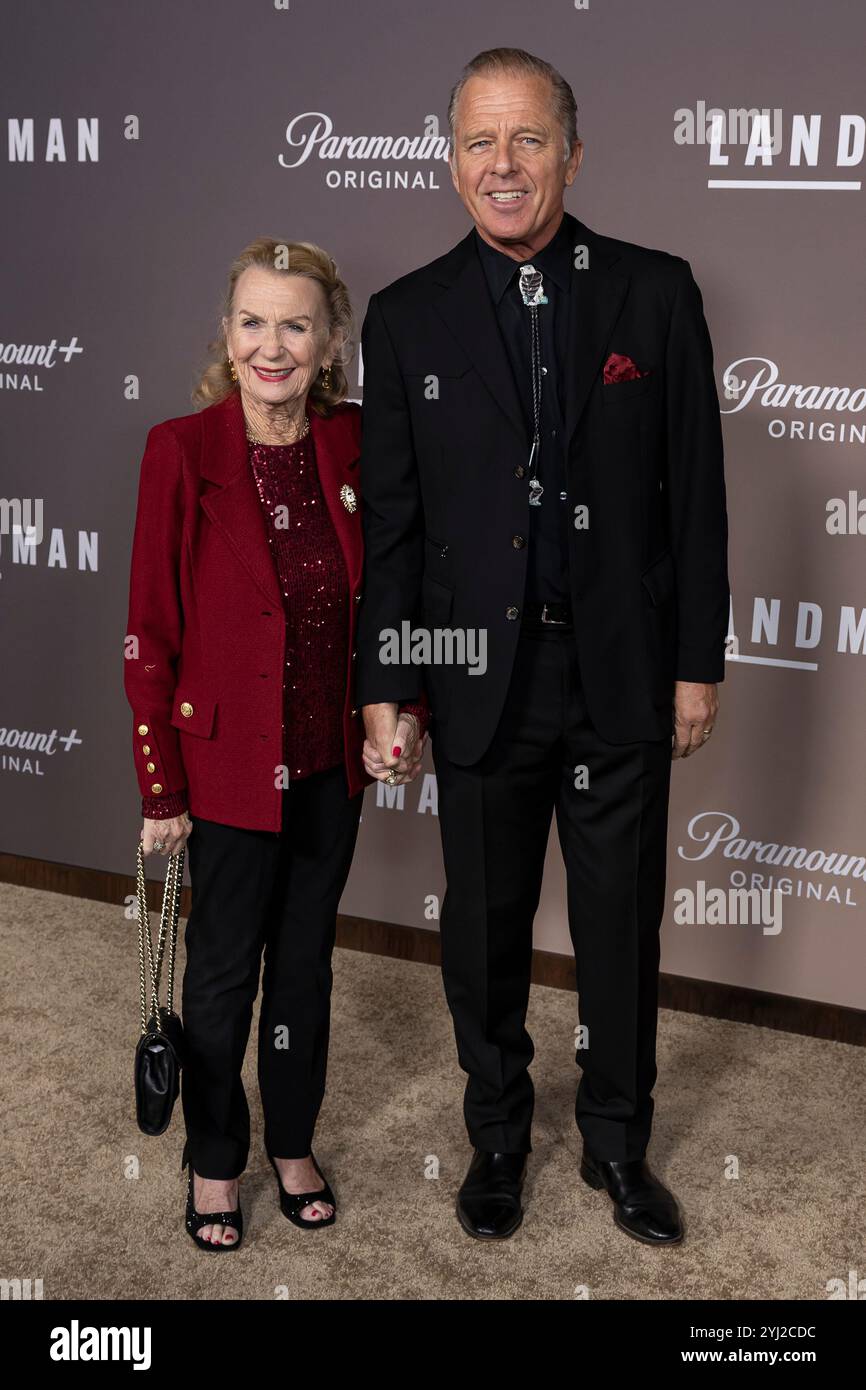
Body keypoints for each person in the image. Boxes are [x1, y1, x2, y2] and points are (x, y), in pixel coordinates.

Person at [357, 48, 729, 1244]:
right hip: (473, 678)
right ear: (449, 158)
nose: (501, 167)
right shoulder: (406, 314)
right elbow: (400, 531)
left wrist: (694, 660)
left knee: (619, 927)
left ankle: (618, 1144)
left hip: (616, 668)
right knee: (481, 928)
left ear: (572, 152)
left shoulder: (653, 293)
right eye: (478, 142)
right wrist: (389, 686)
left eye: (526, 141)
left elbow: (695, 498)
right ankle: (499, 1137)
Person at [124, 238, 426, 1250]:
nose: (271, 344)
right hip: (220, 770)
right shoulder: (181, 448)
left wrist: (399, 709)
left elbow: (391, 592)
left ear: (330, 339)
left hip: (328, 769)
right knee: (220, 976)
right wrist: (160, 788)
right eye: (252, 321)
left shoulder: (353, 441)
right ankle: (215, 1159)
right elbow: (150, 630)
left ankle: (291, 1143)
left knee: (303, 968)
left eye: (294, 324)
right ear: (226, 334)